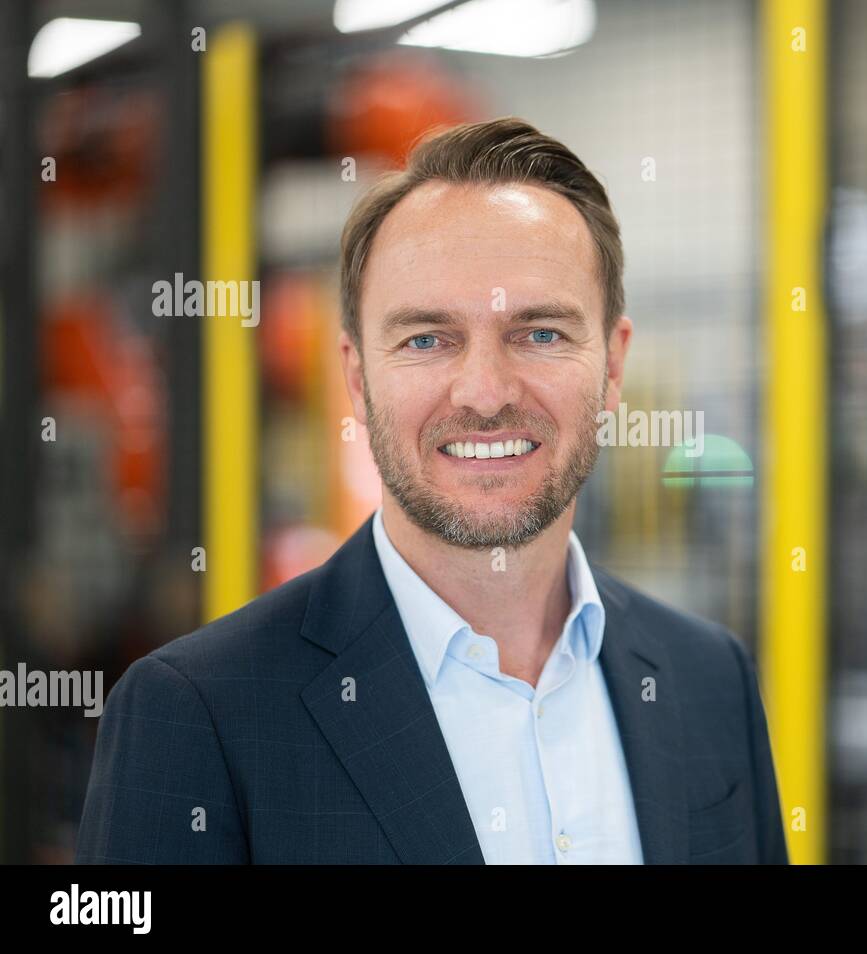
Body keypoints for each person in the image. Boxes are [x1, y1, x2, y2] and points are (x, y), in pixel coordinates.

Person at [76, 116, 787, 864]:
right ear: (356, 377)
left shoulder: (710, 680)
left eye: (540, 333)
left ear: (612, 367)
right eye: (427, 339)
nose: (484, 392)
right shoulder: (197, 716)